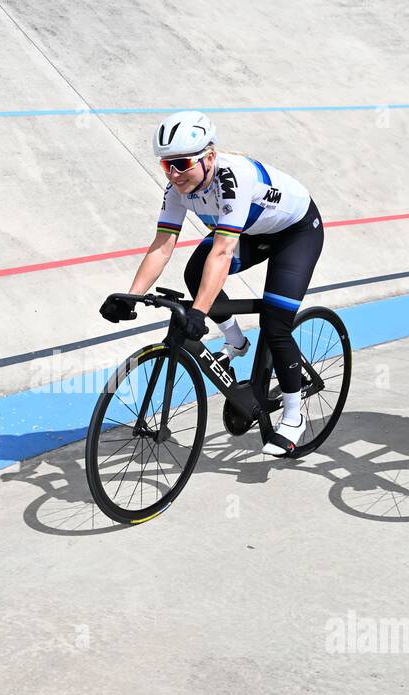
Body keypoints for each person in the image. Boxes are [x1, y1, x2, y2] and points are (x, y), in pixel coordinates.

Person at [102, 111, 325, 456]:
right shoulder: (177, 188)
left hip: (295, 234)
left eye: (181, 164)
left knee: (275, 324)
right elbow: (162, 246)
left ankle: (293, 416)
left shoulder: (231, 177)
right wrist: (131, 296)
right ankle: (235, 342)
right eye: (166, 166)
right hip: (253, 232)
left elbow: (222, 252)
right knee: (195, 273)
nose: (174, 174)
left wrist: (199, 312)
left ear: (208, 157)